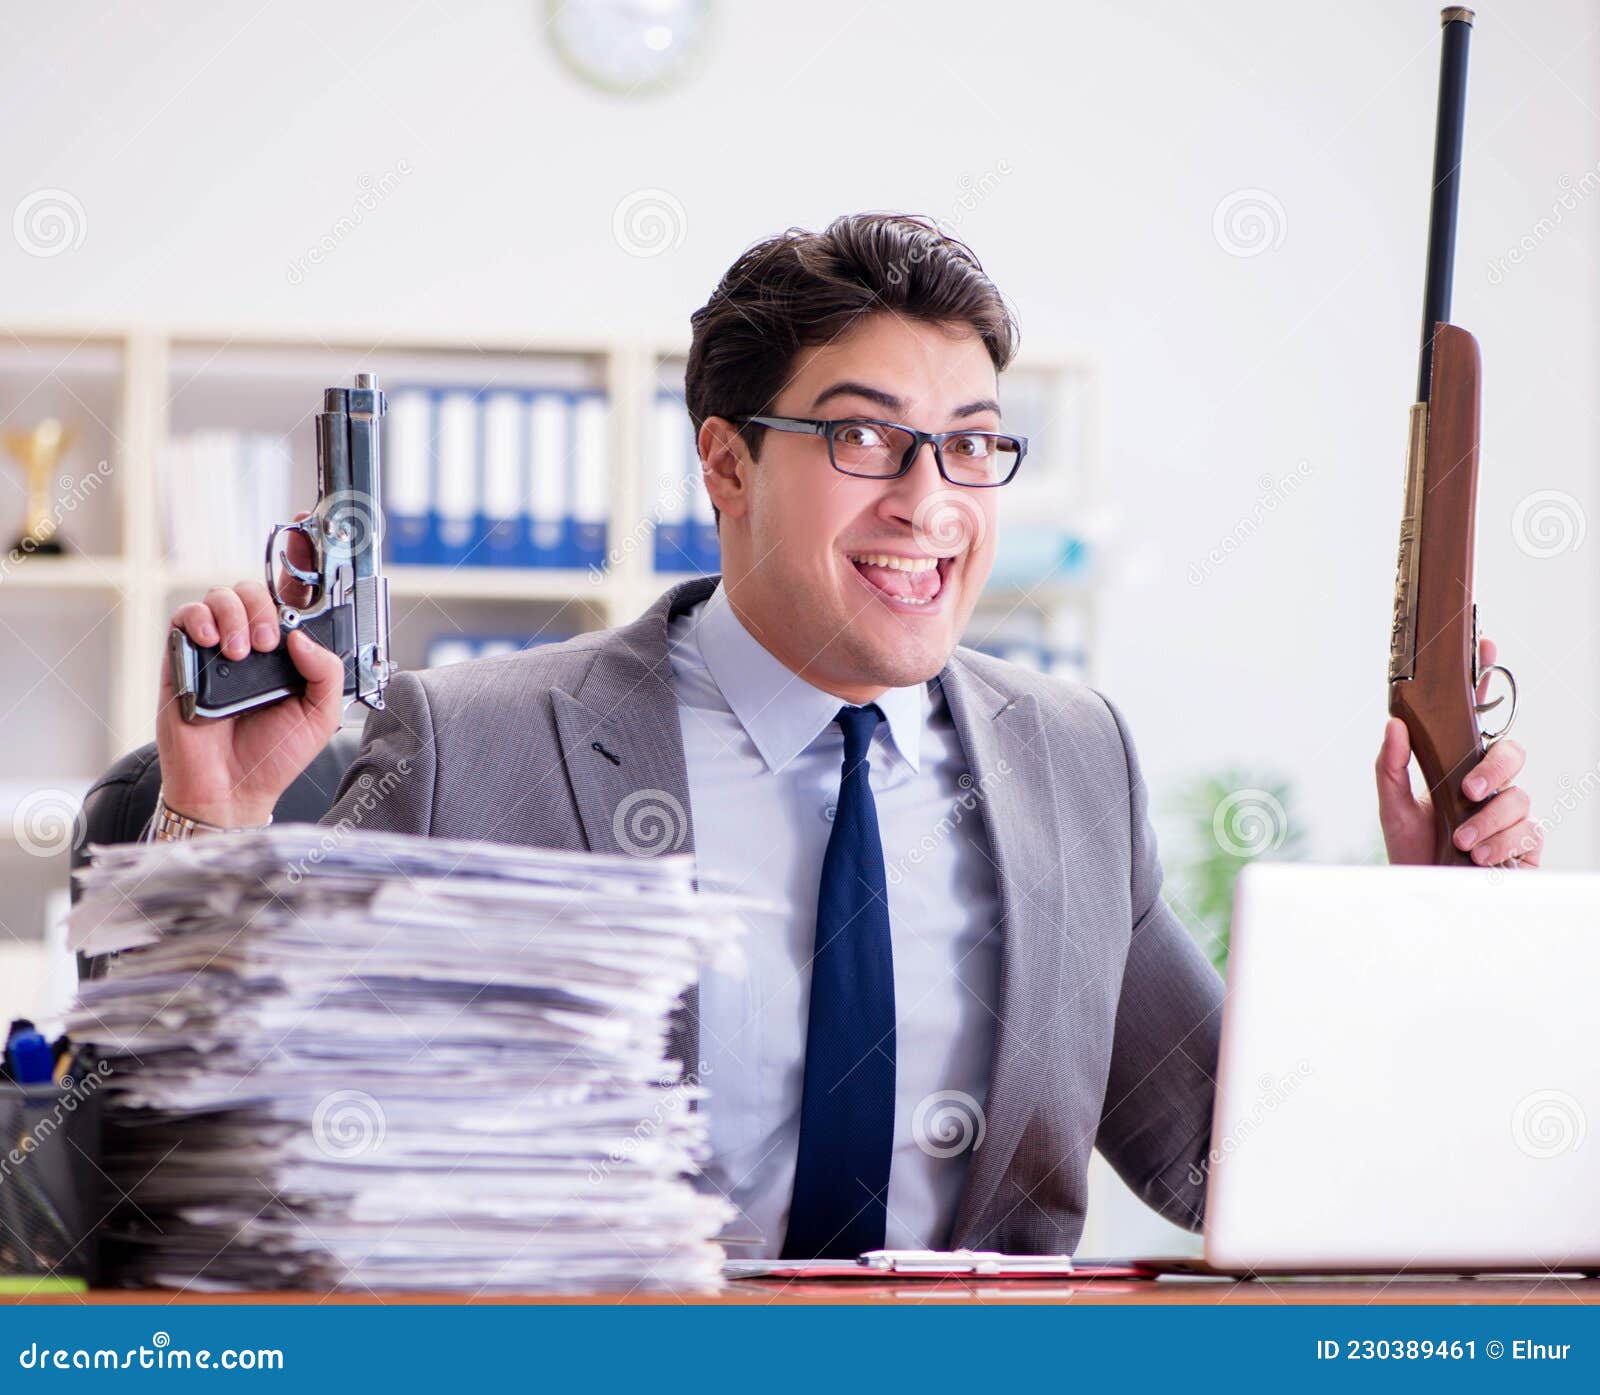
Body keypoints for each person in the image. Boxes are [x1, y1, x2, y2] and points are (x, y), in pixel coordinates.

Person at [150, 212, 1541, 1259]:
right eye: (865, 439)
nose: (928, 504)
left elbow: (1229, 1161)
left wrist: (1433, 933)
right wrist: (213, 824)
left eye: (972, 444)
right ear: (727, 463)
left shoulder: (1075, 757)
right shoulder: (480, 745)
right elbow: (211, 1176)